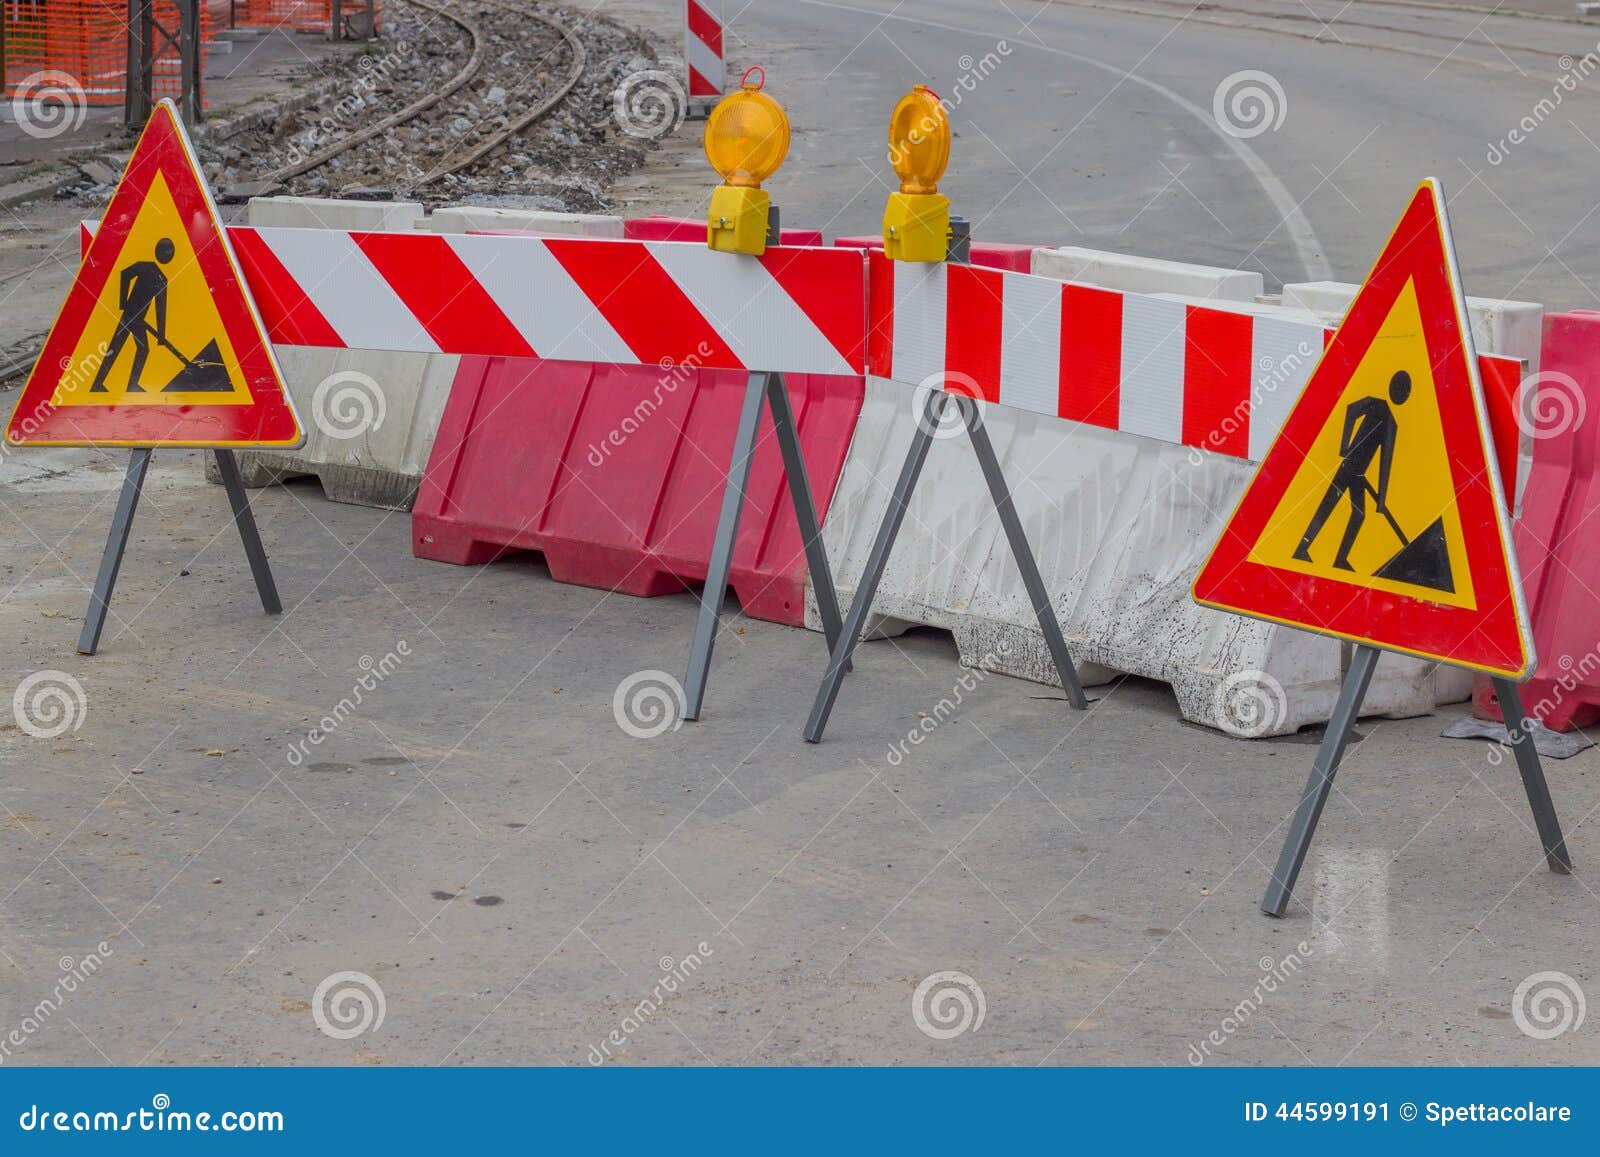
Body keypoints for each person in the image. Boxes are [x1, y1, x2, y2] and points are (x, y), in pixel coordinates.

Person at [1293, 370, 1411, 571]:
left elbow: (1386, 464)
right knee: (1327, 507)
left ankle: (1340, 560)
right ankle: (1301, 549)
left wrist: (1382, 500)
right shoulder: (1376, 404)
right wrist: (1344, 445)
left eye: (1403, 391)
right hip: (1347, 468)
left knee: (1358, 515)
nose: (1400, 393)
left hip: (1359, 476)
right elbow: (1351, 409)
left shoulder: (1392, 423)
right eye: (1399, 389)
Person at [88, 237, 175, 394]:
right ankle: (107, 384)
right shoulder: (147, 268)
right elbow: (124, 274)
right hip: (130, 316)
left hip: (138, 319)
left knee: (129, 348)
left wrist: (161, 335)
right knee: (119, 347)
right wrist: (123, 303)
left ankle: (124, 385)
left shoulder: (162, 278)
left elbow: (160, 309)